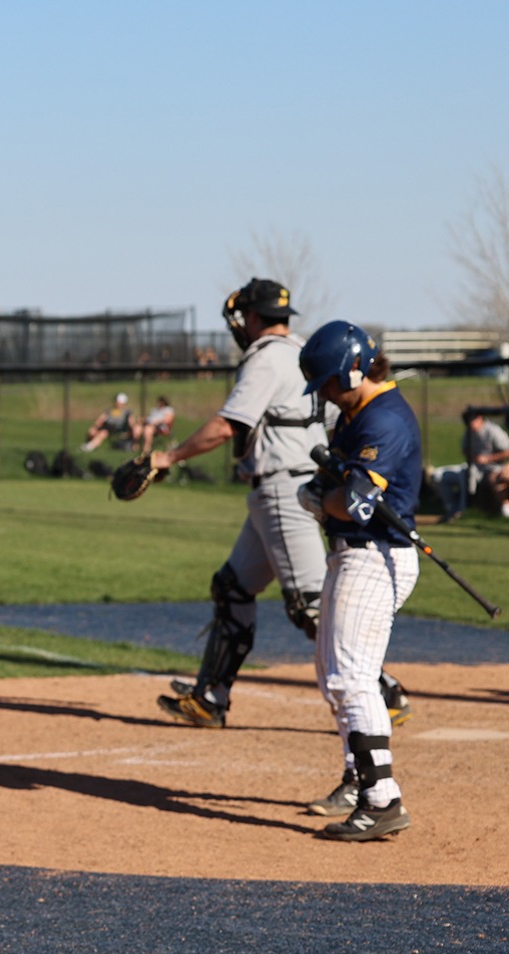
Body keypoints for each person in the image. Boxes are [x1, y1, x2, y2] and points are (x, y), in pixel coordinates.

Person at [149, 279, 411, 730]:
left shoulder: (266, 359)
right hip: (284, 487)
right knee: (232, 587)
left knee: (310, 605)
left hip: (281, 490)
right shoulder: (306, 351)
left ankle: (383, 693)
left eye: (242, 317)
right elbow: (337, 419)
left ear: (252, 317)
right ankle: (211, 697)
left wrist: (167, 457)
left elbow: (230, 424)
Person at [294, 321, 421, 839]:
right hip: (353, 555)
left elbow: (352, 502)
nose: (323, 393)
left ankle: (382, 799)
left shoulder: (385, 420)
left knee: (351, 678)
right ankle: (357, 777)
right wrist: (321, 490)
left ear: (351, 370)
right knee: (333, 676)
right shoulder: (356, 415)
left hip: (376, 556)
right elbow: (339, 484)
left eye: (326, 382)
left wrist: (317, 502)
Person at [431, 407, 509, 521]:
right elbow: (465, 450)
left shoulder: (493, 431)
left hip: (493, 467)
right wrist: (474, 458)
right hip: (473, 467)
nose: (471, 425)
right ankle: (454, 508)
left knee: (497, 481)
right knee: (437, 476)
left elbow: (507, 451)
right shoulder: (469, 432)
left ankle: (464, 510)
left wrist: (488, 459)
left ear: (480, 418)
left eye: (473, 420)